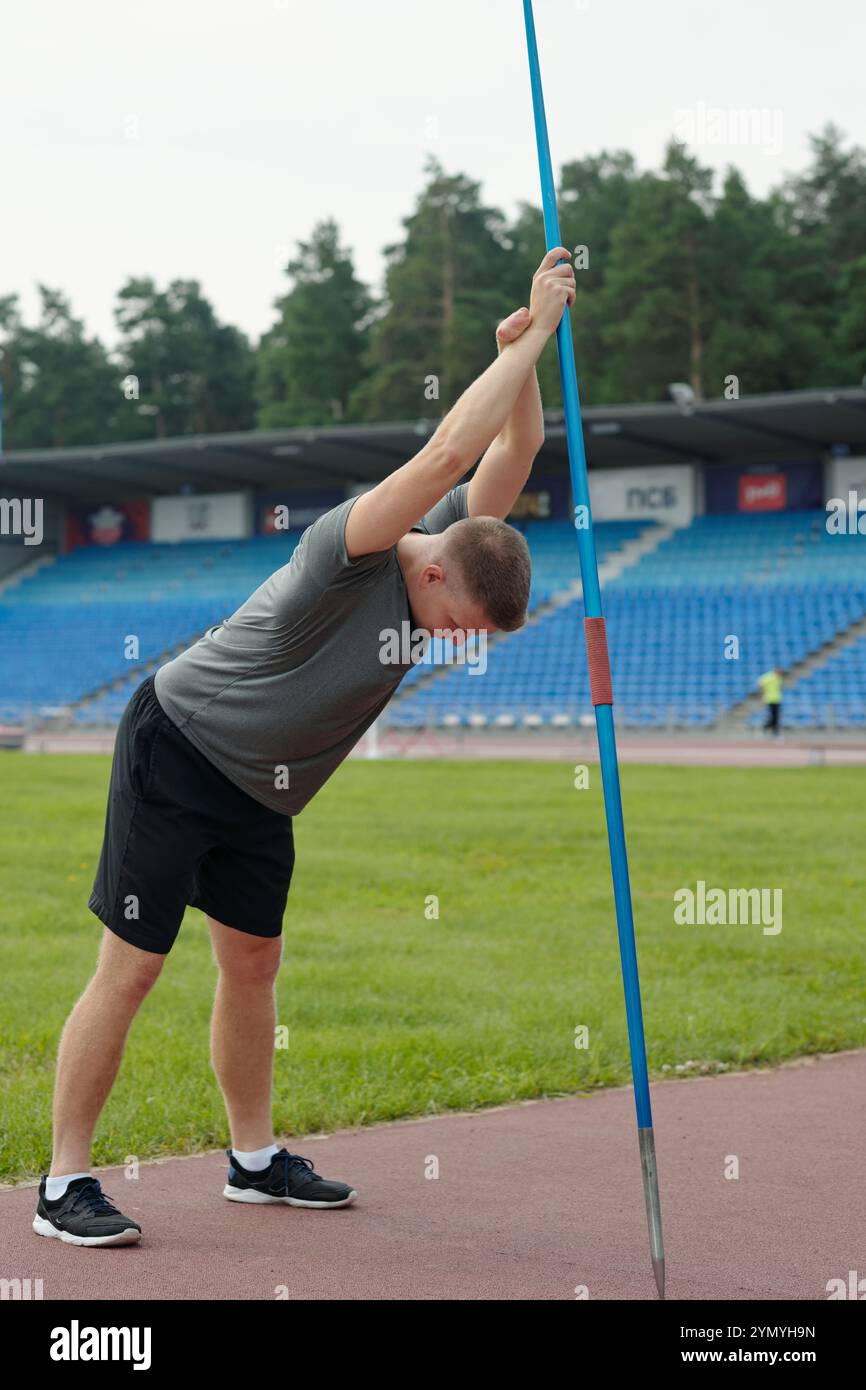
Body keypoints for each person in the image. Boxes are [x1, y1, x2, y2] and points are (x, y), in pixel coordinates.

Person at [33, 247, 577, 1247]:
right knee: (134, 967)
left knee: (253, 964)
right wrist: (538, 324)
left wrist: (523, 355)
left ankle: (251, 1163)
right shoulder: (354, 548)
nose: (455, 646)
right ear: (433, 580)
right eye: (459, 626)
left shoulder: (463, 549)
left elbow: (513, 452)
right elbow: (452, 453)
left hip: (261, 790)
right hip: (179, 748)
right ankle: (63, 1182)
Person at [758, 667, 783, 735]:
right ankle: (767, 728)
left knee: (776, 716)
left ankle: (773, 730)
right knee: (773, 716)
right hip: (769, 699)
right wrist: (764, 691)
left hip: (777, 699)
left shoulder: (779, 678)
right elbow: (760, 683)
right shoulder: (768, 676)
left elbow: (779, 687)